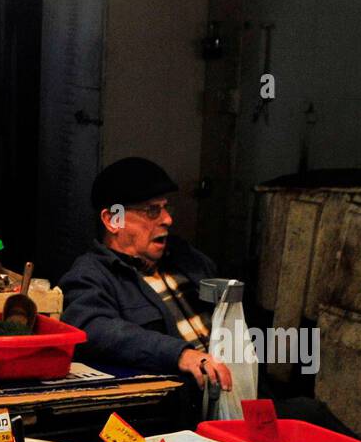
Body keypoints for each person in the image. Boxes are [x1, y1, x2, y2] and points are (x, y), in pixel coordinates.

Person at [58, 157, 234, 394]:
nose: (168, 219)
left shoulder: (186, 258)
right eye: (152, 211)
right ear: (113, 220)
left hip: (235, 388)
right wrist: (180, 354)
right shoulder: (90, 275)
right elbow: (93, 329)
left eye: (165, 208)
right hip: (185, 406)